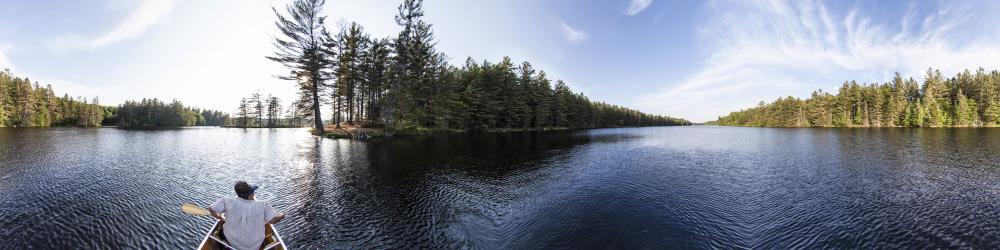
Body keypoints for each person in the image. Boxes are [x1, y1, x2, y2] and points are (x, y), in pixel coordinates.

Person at [208, 181, 285, 250]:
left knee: (221, 231)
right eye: (253, 193)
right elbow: (273, 221)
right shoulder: (263, 205)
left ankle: (226, 245)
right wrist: (282, 215)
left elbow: (211, 209)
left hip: (233, 242)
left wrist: (219, 217)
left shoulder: (227, 201)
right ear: (249, 196)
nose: (254, 194)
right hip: (255, 246)